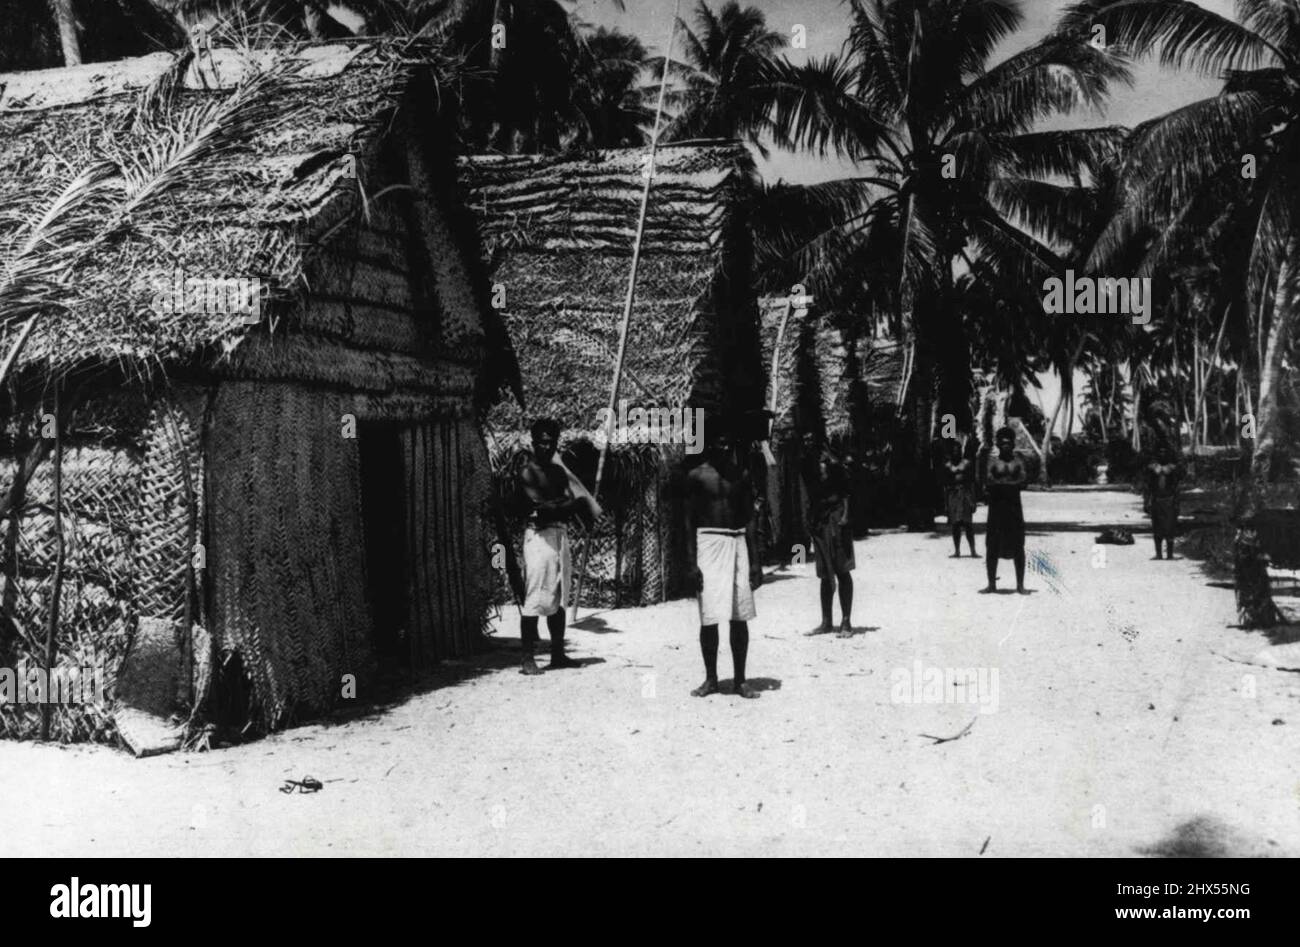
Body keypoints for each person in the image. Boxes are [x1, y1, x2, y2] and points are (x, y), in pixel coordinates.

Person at [685, 421, 762, 699]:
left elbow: (750, 519)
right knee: (709, 617)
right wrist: (691, 563)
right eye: (719, 440)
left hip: (737, 540)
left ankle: (740, 680)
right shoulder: (696, 476)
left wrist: (755, 562)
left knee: (739, 616)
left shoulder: (741, 475)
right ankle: (711, 679)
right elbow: (688, 522)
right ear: (709, 443)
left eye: (729, 441)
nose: (724, 446)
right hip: (708, 544)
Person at [516, 418, 589, 674]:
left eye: (551, 442)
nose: (547, 447)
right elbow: (541, 511)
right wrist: (567, 506)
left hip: (559, 535)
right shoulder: (528, 472)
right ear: (533, 443)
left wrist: (561, 506)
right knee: (535, 595)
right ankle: (527, 658)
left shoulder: (558, 473)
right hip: (538, 537)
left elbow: (562, 506)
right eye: (542, 442)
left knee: (558, 594)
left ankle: (558, 654)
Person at [799, 432, 855, 636]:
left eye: (809, 440)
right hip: (819, 520)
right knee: (824, 573)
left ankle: (846, 621)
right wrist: (810, 520)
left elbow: (846, 491)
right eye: (803, 441)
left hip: (836, 518)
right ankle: (826, 621)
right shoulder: (807, 465)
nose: (806, 444)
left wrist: (845, 517)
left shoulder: (832, 463)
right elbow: (811, 496)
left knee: (842, 570)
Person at [981, 427, 1028, 594]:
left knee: (1018, 545)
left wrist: (1002, 485)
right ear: (998, 445)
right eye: (1002, 443)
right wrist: (1010, 485)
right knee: (992, 545)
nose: (1006, 446)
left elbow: (1024, 481)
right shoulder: (993, 462)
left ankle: (1020, 585)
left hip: (1014, 508)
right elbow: (988, 481)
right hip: (996, 508)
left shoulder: (1018, 462)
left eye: (1009, 443)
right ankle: (991, 584)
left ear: (1013, 444)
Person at [942, 439, 977, 557]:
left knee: (968, 524)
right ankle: (957, 551)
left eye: (958, 450)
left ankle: (973, 550)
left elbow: (972, 483)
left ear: (961, 451)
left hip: (965, 494)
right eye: (954, 451)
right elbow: (946, 486)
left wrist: (973, 501)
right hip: (953, 495)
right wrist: (946, 504)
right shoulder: (948, 466)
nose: (956, 453)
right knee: (955, 525)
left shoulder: (966, 464)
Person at [1146, 444, 1181, 559]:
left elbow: (1177, 486)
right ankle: (1159, 554)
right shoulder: (1152, 469)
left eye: (1164, 452)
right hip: (1156, 500)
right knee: (1157, 527)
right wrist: (1147, 501)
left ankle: (1170, 554)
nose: (1162, 454)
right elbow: (1149, 486)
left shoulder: (1173, 469)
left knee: (1170, 527)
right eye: (1160, 452)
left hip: (1169, 500)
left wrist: (1176, 502)